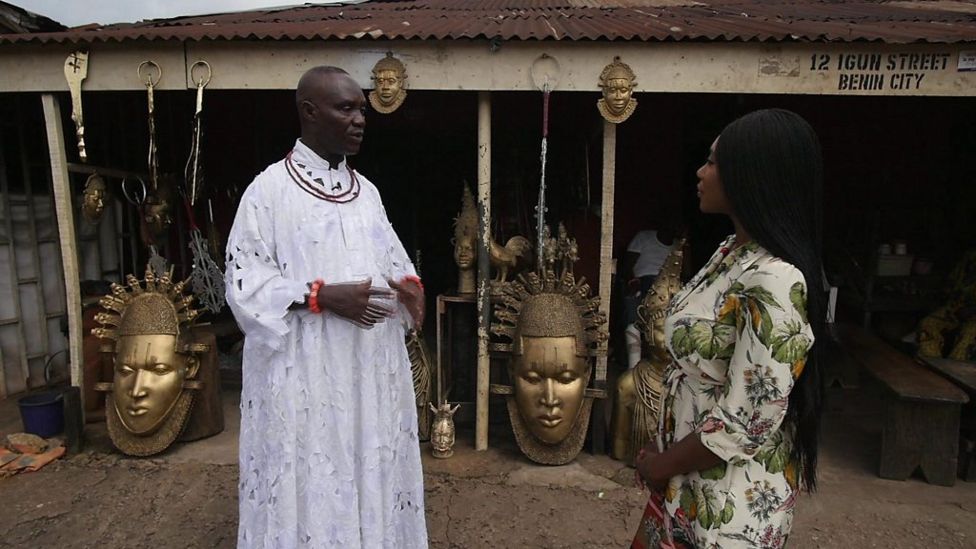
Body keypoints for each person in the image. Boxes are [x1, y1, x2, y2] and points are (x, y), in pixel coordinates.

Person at [225, 66, 428, 548]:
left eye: (362, 109)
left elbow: (390, 256)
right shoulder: (268, 192)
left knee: (365, 461)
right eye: (347, 108)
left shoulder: (368, 195)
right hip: (304, 373)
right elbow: (243, 281)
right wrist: (319, 296)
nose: (361, 119)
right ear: (308, 112)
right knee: (309, 469)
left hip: (365, 368)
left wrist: (408, 284)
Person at [633, 109, 825, 548]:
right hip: (684, 487)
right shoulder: (729, 253)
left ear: (752, 175)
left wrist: (662, 465)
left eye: (713, 162)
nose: (700, 172)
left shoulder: (775, 278)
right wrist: (662, 451)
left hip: (726, 508)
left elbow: (748, 419)